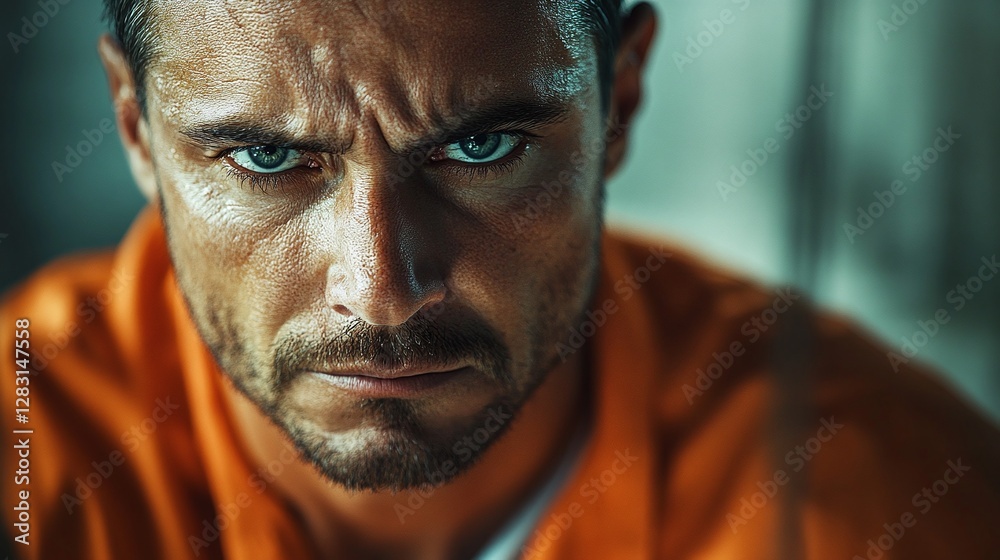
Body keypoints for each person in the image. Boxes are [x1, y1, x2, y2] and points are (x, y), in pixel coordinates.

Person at [3, 1, 998, 558]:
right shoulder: (27, 455)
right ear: (135, 128)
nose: (380, 290)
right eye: (267, 159)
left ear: (619, 99)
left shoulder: (889, 508)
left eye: (480, 148)